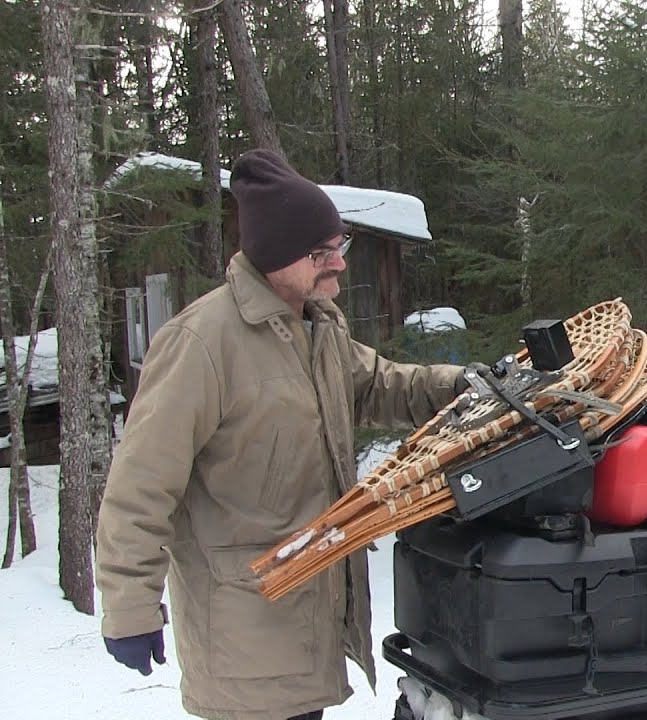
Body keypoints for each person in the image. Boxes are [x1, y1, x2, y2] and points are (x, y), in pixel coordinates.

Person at [94, 149, 466, 720]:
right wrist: (128, 608)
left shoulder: (316, 326)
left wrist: (463, 385)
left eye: (340, 246)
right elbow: (140, 486)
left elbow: (380, 385)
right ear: (274, 255)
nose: (338, 264)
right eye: (321, 253)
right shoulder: (202, 344)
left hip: (306, 616)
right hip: (244, 630)